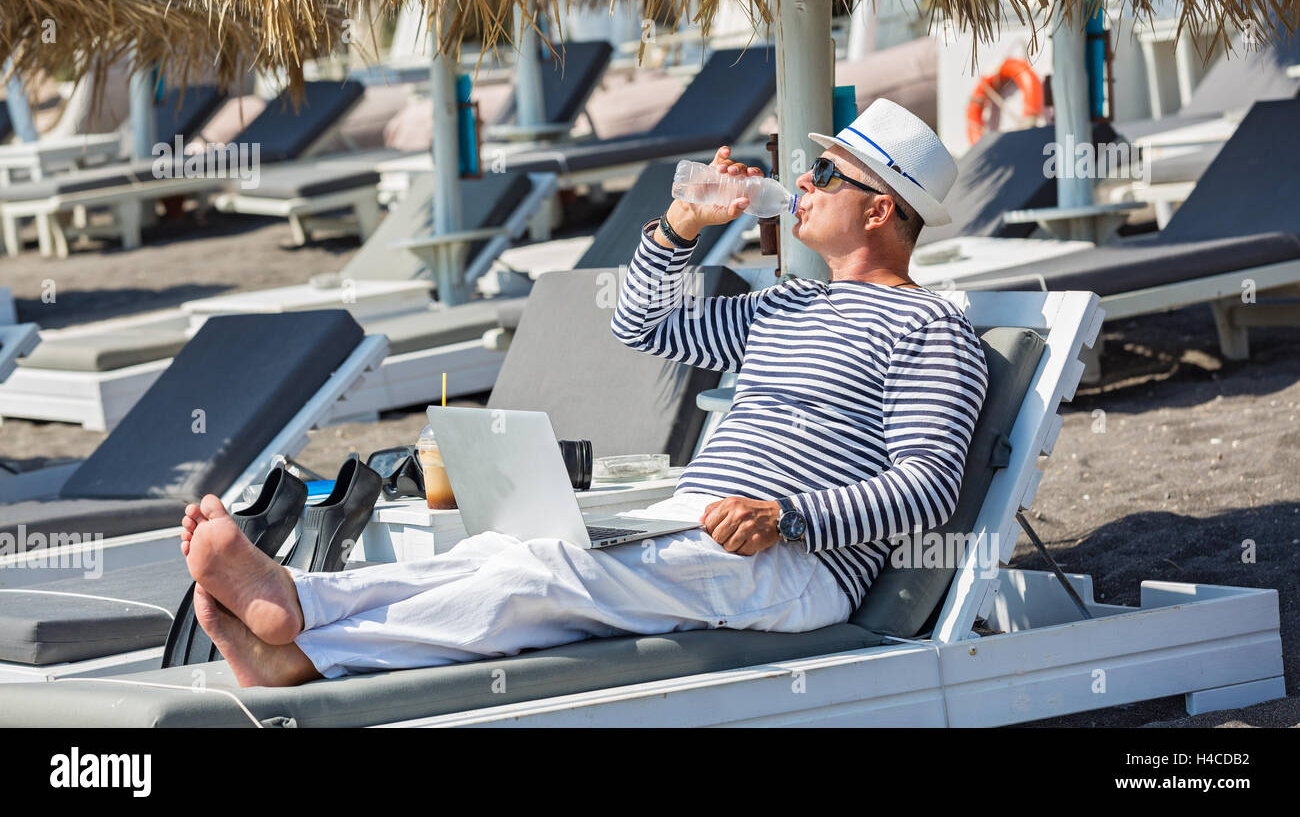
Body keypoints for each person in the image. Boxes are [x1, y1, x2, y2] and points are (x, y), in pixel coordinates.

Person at [179, 98, 989, 687]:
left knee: (539, 580)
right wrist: (680, 227)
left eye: (825, 174)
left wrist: (786, 517)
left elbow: (927, 486)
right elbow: (643, 324)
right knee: (506, 551)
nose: (801, 182)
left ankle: (306, 653)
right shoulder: (790, 302)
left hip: (794, 565)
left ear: (880, 208)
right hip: (694, 528)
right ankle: (301, 599)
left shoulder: (930, 328)